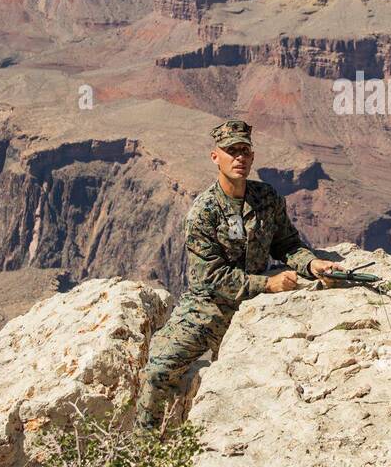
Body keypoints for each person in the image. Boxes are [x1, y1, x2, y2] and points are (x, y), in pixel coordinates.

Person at [136, 119, 334, 430]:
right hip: (208, 307)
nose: (239, 158)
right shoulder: (204, 212)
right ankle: (143, 456)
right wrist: (267, 284)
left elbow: (287, 244)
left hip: (253, 308)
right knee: (158, 371)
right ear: (216, 156)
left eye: (245, 151)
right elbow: (210, 278)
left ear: (253, 156)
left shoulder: (266, 198)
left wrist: (311, 264)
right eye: (231, 151)